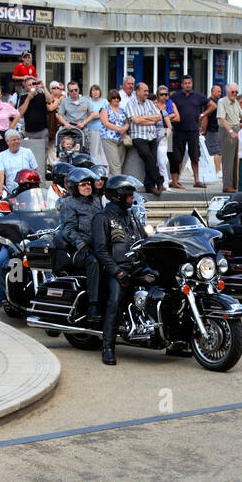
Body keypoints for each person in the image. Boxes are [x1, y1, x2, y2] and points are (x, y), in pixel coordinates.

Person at [92, 174, 147, 365]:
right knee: (115, 302)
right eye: (129, 194)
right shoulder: (102, 217)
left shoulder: (130, 215)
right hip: (117, 269)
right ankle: (107, 347)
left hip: (136, 265)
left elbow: (142, 238)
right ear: (117, 196)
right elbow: (100, 249)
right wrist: (117, 271)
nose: (132, 198)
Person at [59, 166, 105, 326]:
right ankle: (93, 306)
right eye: (83, 184)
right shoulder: (69, 203)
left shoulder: (96, 201)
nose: (87, 187)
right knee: (93, 261)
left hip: (98, 246)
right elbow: (68, 229)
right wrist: (82, 245)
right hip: (78, 251)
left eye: (89, 184)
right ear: (74, 186)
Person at [168, 74, 211, 187]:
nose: (187, 85)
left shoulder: (198, 96)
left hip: (193, 130)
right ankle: (176, 181)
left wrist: (202, 114)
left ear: (192, 84)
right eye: (185, 83)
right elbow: (167, 108)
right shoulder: (175, 97)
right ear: (181, 85)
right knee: (178, 157)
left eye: (189, 83)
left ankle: (196, 180)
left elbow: (212, 105)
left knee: (195, 157)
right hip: (179, 130)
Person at [123, 82, 165, 196]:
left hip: (151, 136)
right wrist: (150, 120)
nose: (147, 93)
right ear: (138, 91)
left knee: (151, 160)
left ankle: (149, 186)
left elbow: (159, 117)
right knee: (148, 157)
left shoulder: (150, 103)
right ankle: (159, 180)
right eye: (145, 91)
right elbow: (136, 121)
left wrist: (144, 118)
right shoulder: (130, 104)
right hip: (138, 136)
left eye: (147, 91)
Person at [0, 130, 38, 195]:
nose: (17, 142)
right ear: (7, 142)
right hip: (11, 191)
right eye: (14, 140)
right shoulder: (2, 155)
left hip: (28, 189)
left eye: (18, 139)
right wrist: (0, 190)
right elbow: (0, 174)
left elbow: (35, 170)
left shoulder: (27, 152)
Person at [97, 89, 128, 176]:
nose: (116, 100)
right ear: (110, 99)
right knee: (115, 165)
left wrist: (124, 128)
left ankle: (110, 185)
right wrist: (118, 129)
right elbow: (106, 123)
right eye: (114, 98)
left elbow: (127, 123)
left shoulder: (122, 110)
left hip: (121, 139)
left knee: (119, 164)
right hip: (109, 139)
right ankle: (118, 186)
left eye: (118, 98)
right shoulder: (105, 109)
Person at [218, 82, 242, 191]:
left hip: (236, 129)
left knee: (234, 159)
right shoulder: (222, 101)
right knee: (228, 159)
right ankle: (227, 185)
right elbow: (222, 119)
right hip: (227, 130)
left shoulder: (236, 102)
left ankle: (233, 184)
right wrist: (231, 131)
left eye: (236, 92)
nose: (235, 94)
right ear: (227, 92)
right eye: (233, 92)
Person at [204, 84, 222, 179]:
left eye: (220, 91)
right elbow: (205, 117)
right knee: (216, 151)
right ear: (212, 92)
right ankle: (218, 170)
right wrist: (203, 130)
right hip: (211, 130)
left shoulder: (219, 102)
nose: (220, 93)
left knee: (218, 151)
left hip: (218, 130)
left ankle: (217, 170)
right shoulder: (209, 102)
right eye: (218, 91)